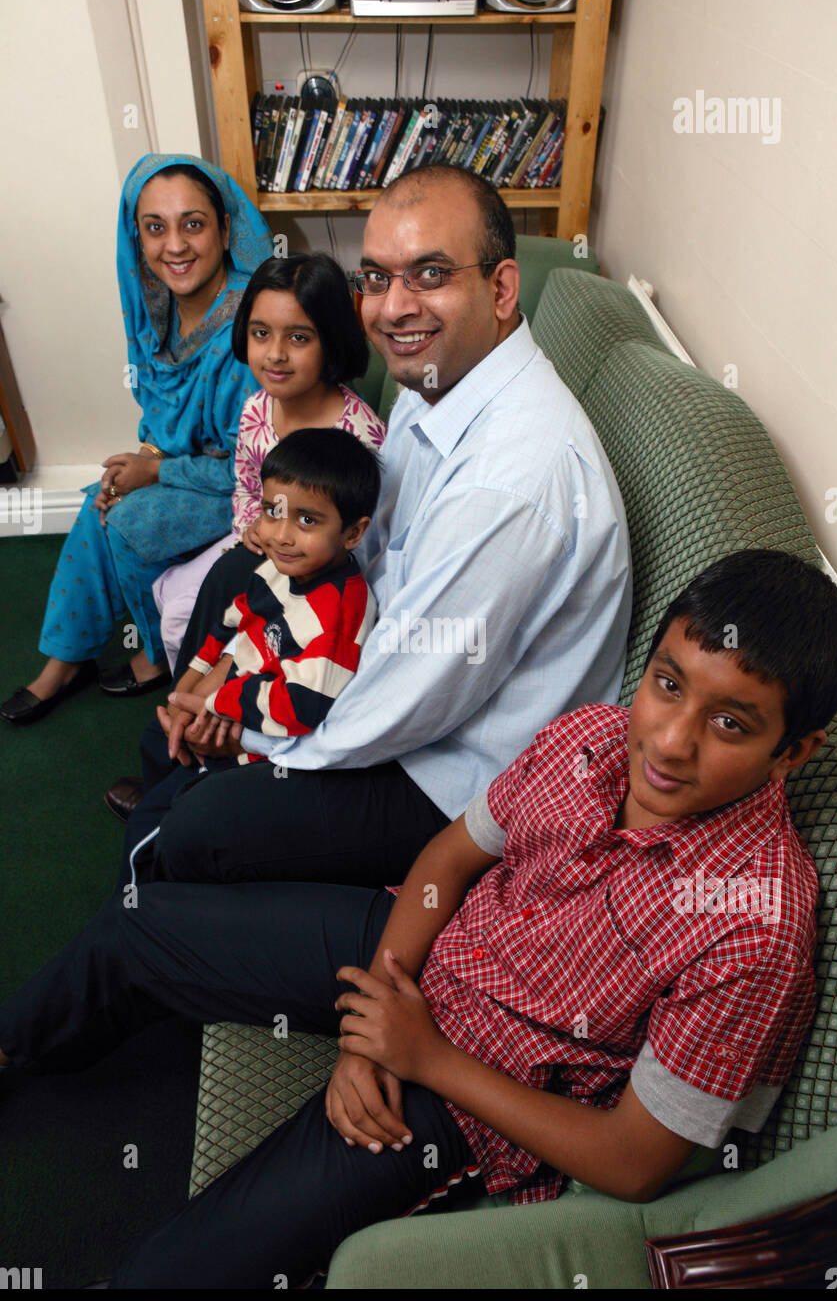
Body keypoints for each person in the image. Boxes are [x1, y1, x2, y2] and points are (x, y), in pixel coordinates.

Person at [1, 550, 837, 1288]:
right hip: (417, 960)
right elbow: (450, 859)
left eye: (730, 724)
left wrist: (421, 1056)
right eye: (667, 685)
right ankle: (19, 1045)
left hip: (483, 1092)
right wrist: (373, 1014)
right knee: (137, 924)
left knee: (177, 1269)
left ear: (795, 751)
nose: (671, 741)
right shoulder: (589, 740)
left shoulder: (755, 927)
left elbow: (634, 1163)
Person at [113, 162, 632, 888]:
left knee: (199, 827)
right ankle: (175, 788)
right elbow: (372, 558)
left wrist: (249, 729)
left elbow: (404, 704)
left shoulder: (509, 483)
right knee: (231, 591)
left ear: (503, 289)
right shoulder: (434, 384)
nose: (393, 308)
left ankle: (174, 840)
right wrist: (235, 674)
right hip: (381, 669)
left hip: (448, 779)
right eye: (376, 279)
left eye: (429, 274)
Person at [0, 154, 272, 726]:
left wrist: (155, 473)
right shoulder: (159, 310)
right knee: (95, 501)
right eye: (155, 227)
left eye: (193, 224)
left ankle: (157, 659)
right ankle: (64, 661)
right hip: (191, 471)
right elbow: (163, 428)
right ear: (138, 237)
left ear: (226, 229)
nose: (174, 245)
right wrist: (142, 459)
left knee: (128, 519)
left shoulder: (256, 324)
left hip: (255, 489)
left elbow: (255, 465)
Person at [152, 253, 386, 675]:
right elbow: (246, 487)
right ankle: (185, 705)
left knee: (219, 635)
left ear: (331, 340)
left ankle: (217, 712)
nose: (275, 354)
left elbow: (363, 545)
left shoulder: (359, 437)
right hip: (256, 543)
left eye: (298, 338)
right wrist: (252, 528)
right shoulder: (255, 410)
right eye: (261, 333)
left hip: (313, 574)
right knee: (171, 599)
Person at [167, 427, 379, 772]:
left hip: (255, 755)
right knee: (161, 736)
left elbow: (300, 707)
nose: (281, 536)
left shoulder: (337, 616)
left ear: (353, 533)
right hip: (231, 701)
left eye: (307, 520)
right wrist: (183, 692)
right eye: (272, 511)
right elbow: (234, 622)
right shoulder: (283, 568)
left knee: (181, 803)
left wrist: (216, 702)